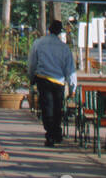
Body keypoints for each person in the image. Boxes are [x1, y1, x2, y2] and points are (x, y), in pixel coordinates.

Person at [28, 19, 77, 147]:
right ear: (60, 31)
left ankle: (51, 133)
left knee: (47, 107)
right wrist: (72, 87)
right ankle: (55, 131)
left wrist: (31, 77)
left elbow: (32, 62)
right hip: (59, 81)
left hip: (43, 79)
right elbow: (70, 69)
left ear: (49, 29)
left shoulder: (39, 43)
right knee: (57, 108)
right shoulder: (64, 48)